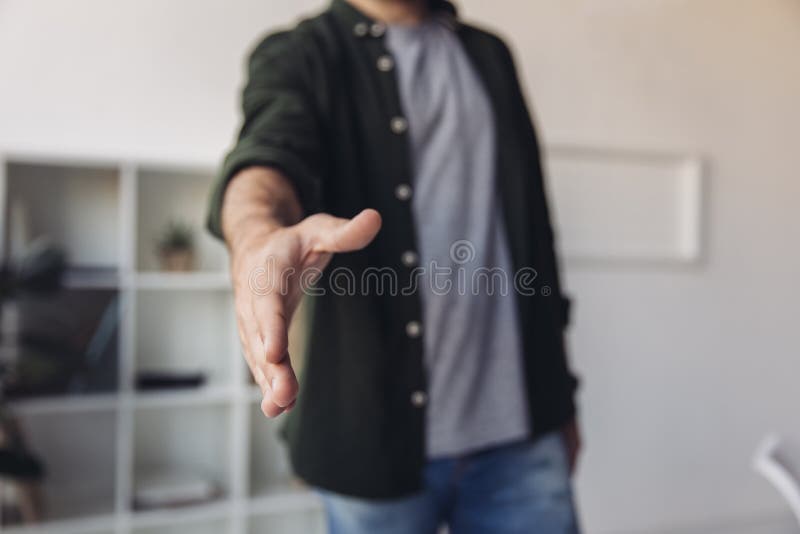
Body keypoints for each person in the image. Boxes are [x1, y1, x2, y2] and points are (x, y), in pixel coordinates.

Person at [207, 0, 582, 532]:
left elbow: (535, 234)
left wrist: (563, 396)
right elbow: (268, 153)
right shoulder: (301, 53)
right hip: (370, 444)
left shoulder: (490, 55)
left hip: (523, 435)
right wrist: (255, 236)